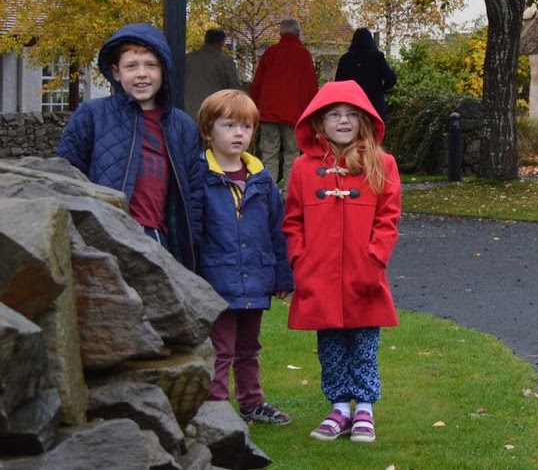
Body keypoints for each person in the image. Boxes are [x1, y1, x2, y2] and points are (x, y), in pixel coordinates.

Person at [283, 80, 400, 444]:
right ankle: (339, 408)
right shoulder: (304, 168)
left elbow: (387, 218)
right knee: (330, 347)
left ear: (365, 120)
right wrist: (300, 261)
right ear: (319, 122)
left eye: (351, 114)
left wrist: (374, 260)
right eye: (334, 114)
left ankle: (364, 408)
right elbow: (293, 221)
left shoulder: (381, 163)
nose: (343, 121)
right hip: (318, 273)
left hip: (364, 273)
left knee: (364, 346)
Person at [56, 23, 206, 269]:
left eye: (150, 65)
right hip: (104, 237)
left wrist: (193, 243)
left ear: (164, 70)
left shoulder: (183, 126)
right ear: (116, 72)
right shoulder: (92, 115)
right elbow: (65, 177)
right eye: (131, 66)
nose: (141, 74)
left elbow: (193, 195)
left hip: (160, 238)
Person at [195, 89, 295, 426]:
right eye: (229, 125)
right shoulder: (199, 177)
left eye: (247, 127)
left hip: (255, 278)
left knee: (248, 348)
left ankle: (252, 402)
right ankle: (217, 407)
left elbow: (277, 231)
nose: (239, 133)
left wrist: (282, 276)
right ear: (208, 130)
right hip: (215, 279)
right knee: (220, 348)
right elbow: (193, 231)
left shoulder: (262, 180)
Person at [250, 17, 319, 187]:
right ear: (298, 32)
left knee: (269, 154)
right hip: (295, 115)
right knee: (292, 155)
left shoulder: (270, 53)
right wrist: (312, 114)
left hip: (269, 113)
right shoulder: (304, 55)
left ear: (280, 32)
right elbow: (312, 86)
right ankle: (289, 195)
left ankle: (268, 192)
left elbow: (257, 84)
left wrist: (254, 108)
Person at [333, 28, 396, 125]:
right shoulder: (377, 57)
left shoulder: (345, 59)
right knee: (374, 137)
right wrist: (382, 89)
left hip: (352, 107)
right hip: (374, 107)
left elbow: (338, 85)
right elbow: (391, 79)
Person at [184, 27, 242, 121]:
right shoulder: (226, 63)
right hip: (213, 115)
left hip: (188, 114)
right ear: (222, 43)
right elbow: (236, 92)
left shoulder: (187, 59)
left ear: (205, 40)